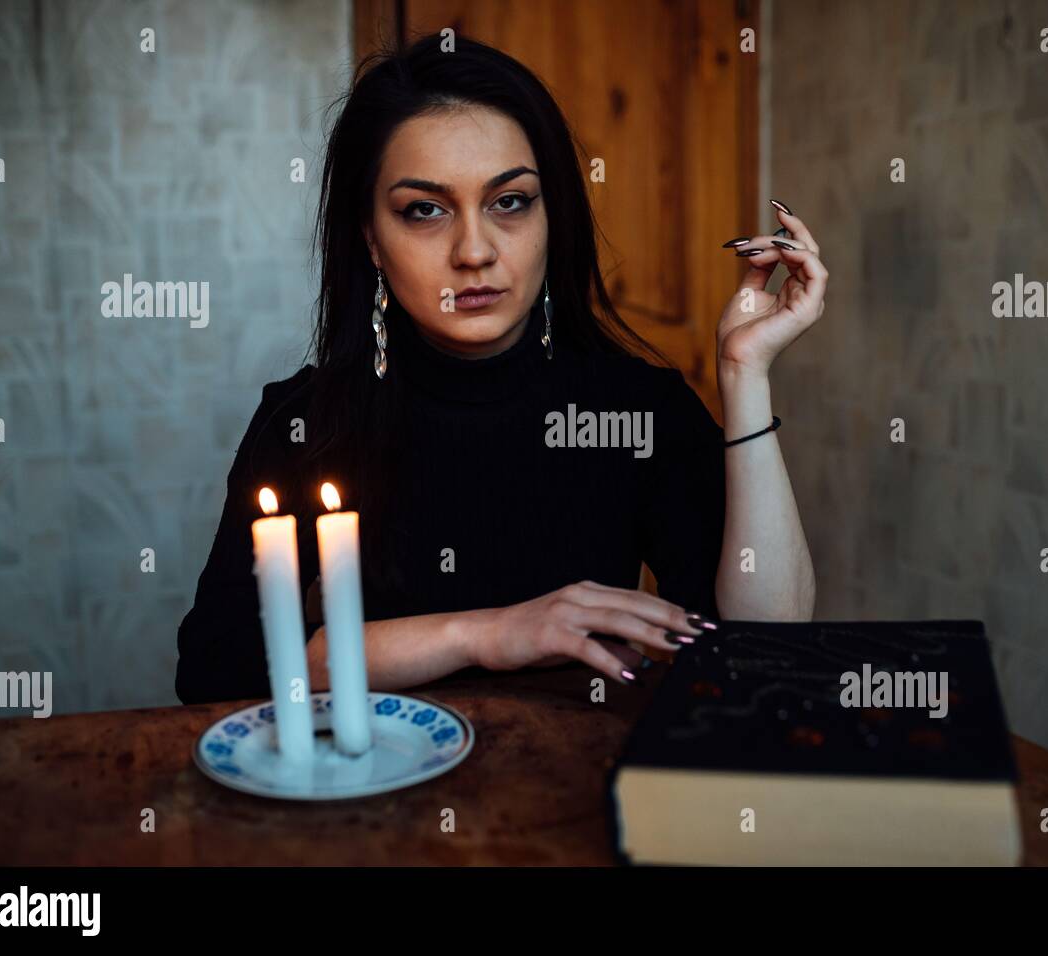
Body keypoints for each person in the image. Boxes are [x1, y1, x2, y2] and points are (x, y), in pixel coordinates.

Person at [175, 33, 823, 705]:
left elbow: (765, 648)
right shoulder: (306, 424)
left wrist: (746, 377)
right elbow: (215, 670)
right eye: (424, 210)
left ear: (552, 217)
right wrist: (488, 634)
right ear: (371, 238)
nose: (475, 251)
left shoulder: (638, 410)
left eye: (509, 201)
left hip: (581, 784)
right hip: (382, 789)